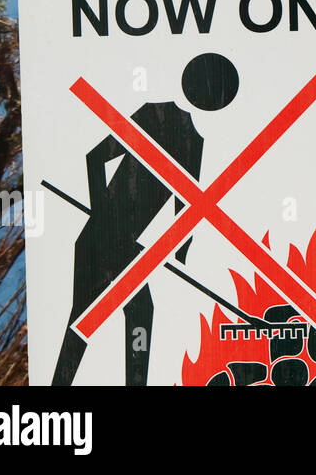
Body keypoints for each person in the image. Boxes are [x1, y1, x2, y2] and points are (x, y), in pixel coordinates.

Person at [51, 52, 239, 386]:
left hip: (128, 245)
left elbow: (187, 209)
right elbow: (96, 157)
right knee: (82, 321)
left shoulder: (194, 144)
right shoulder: (154, 113)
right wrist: (102, 214)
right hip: (100, 236)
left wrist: (181, 249)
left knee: (139, 313)